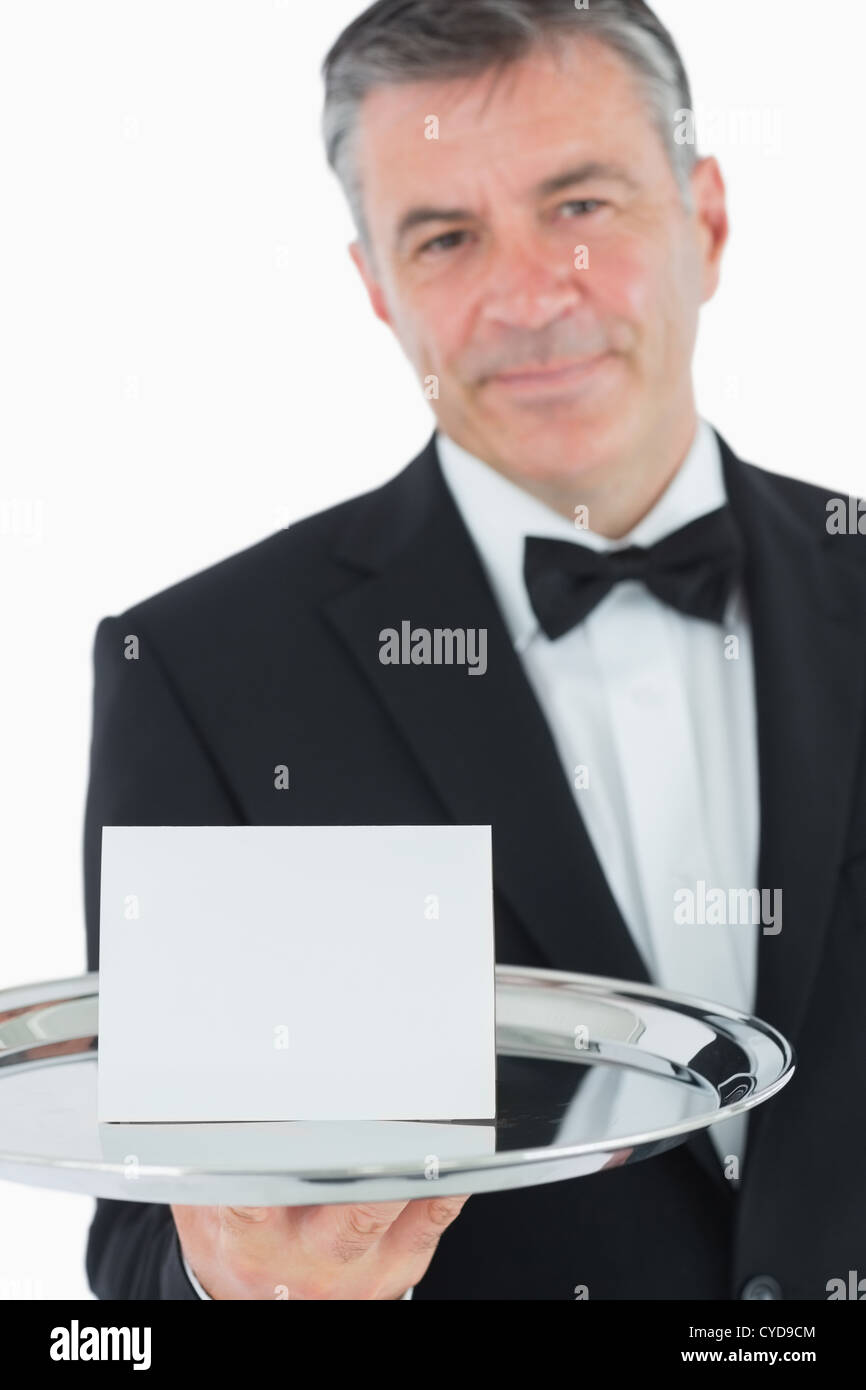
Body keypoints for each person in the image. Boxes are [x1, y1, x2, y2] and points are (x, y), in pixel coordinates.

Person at [84, 0, 866, 1300]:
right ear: (377, 289)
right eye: (446, 237)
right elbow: (149, 1254)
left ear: (705, 220)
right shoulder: (210, 672)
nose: (524, 295)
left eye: (580, 205)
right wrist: (250, 1282)